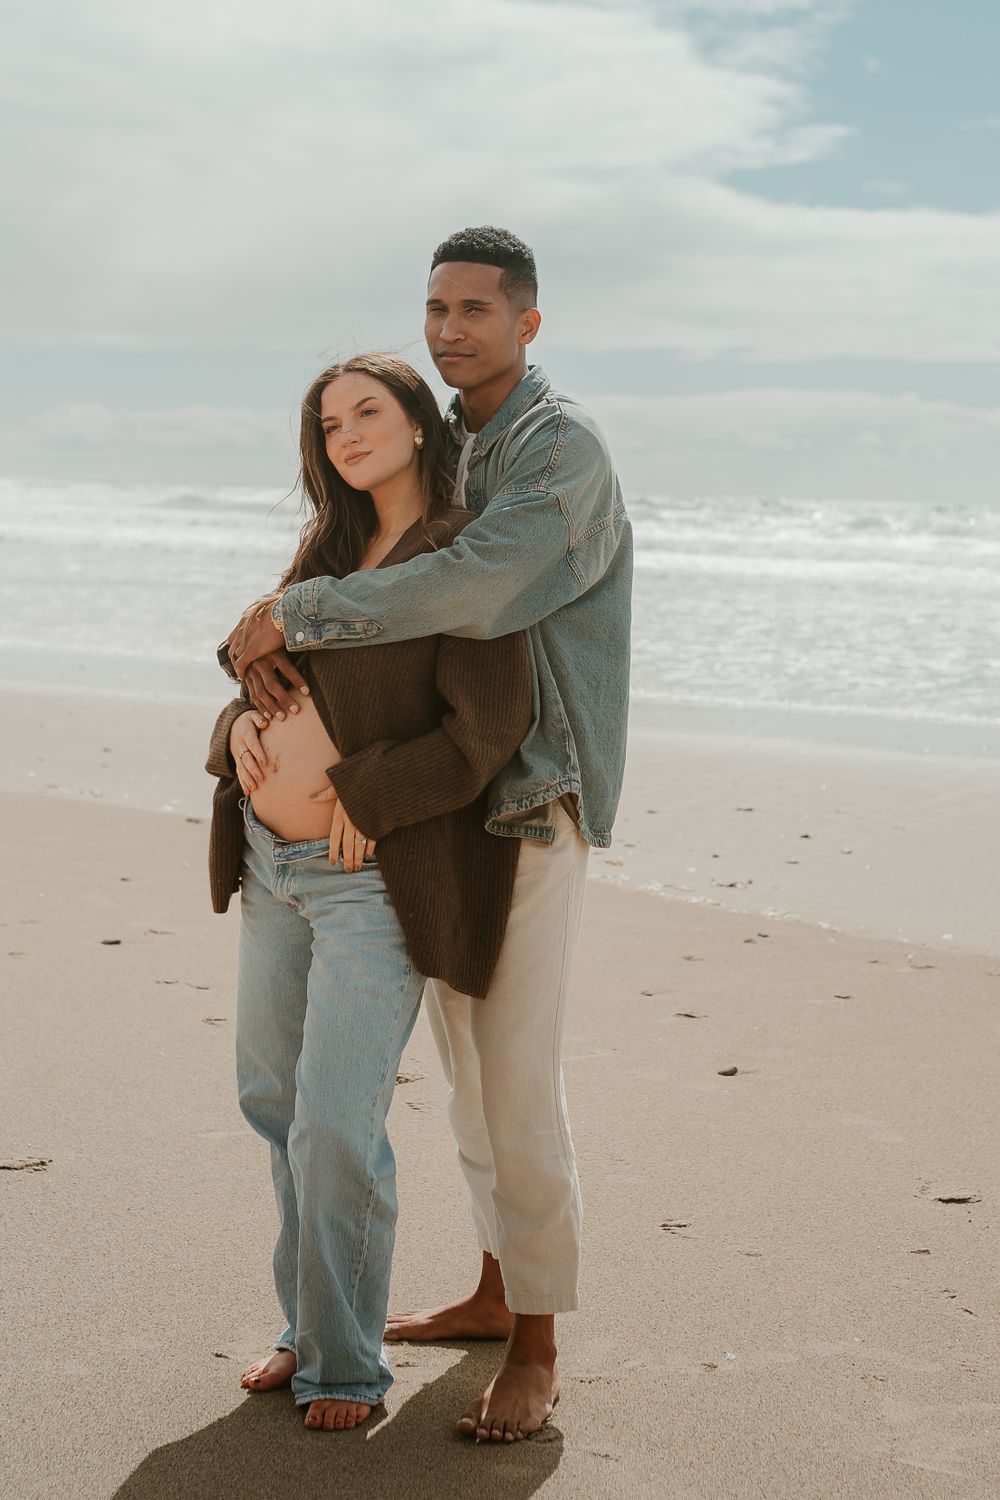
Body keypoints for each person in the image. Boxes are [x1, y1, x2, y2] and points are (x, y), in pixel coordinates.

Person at [226, 226, 633, 1444]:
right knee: (466, 1078)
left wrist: (295, 610)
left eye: (476, 308)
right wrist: (247, 705)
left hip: (528, 796)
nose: (449, 328)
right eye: (435, 308)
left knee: (512, 1078)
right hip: (454, 814)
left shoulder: (559, 454)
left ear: (528, 323)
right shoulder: (454, 447)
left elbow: (472, 592)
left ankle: (542, 1346)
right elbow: (346, 627)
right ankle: (500, 1294)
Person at [206, 353, 533, 1433]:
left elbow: (488, 728)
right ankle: (310, 1322)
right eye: (328, 420)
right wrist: (239, 730)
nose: (346, 433)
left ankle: (345, 1365)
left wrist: (373, 791)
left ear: (414, 423)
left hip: (365, 882)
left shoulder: (457, 555)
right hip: (269, 866)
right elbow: (250, 668)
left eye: (367, 411)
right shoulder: (330, 547)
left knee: (337, 1124)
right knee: (274, 1106)